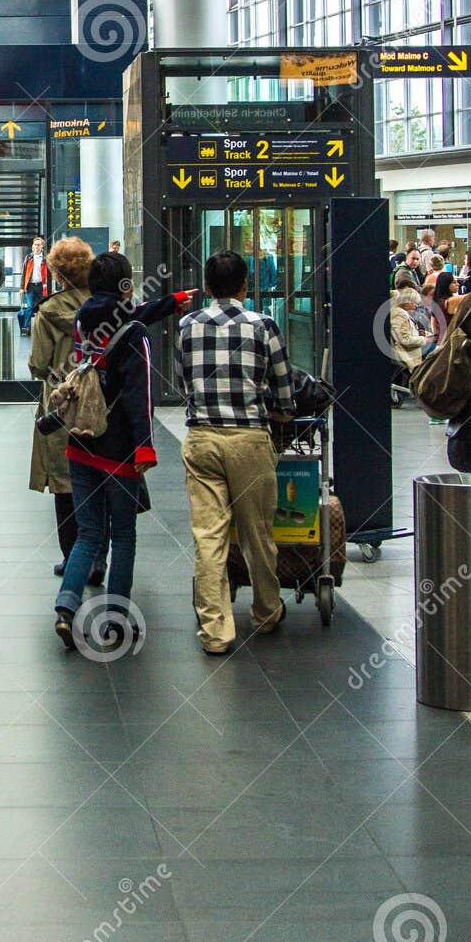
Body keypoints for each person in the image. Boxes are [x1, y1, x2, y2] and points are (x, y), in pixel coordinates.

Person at [176, 249, 294, 656]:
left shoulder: (187, 325)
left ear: (207, 287)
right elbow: (283, 388)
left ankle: (216, 630)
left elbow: (183, 382)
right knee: (256, 532)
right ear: (245, 285)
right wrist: (280, 410)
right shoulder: (264, 325)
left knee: (208, 536)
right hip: (249, 440)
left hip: (202, 438)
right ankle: (265, 611)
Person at [53, 251, 159, 651]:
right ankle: (114, 617)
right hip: (119, 450)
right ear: (125, 286)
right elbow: (140, 393)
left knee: (88, 533)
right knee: (124, 536)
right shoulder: (133, 331)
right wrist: (144, 447)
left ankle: (66, 607)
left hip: (81, 439)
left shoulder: (82, 319)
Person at [29, 238, 104, 581]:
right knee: (99, 476)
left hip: (61, 405)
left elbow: (39, 364)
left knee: (64, 480)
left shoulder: (47, 312)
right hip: (100, 403)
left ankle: (74, 558)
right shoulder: (106, 306)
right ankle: (98, 557)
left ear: (57, 274)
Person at [388, 285, 425, 373]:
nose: (416, 306)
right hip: (409, 356)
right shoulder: (400, 314)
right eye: (414, 303)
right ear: (407, 302)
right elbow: (405, 340)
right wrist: (424, 339)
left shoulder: (401, 313)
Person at [19, 235, 50, 337]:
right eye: (35, 245)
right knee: (30, 306)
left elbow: (50, 274)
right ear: (32, 246)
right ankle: (26, 327)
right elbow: (23, 273)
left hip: (42, 286)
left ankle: (44, 328)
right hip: (30, 286)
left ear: (42, 246)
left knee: (43, 307)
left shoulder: (46, 258)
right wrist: (22, 287)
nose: (36, 247)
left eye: (39, 245)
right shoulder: (28, 258)